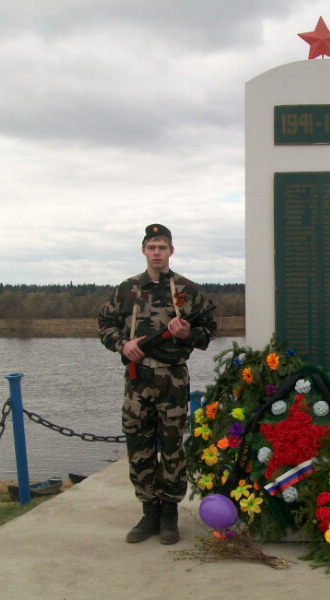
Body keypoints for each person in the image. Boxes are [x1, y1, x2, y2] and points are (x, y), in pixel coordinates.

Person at [98, 224, 217, 544]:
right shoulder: (127, 290)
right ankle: (149, 511)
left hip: (173, 379)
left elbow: (208, 332)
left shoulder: (186, 290)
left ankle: (169, 514)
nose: (157, 252)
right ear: (143, 250)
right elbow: (104, 324)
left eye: (162, 247)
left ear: (171, 251)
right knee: (139, 445)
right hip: (138, 380)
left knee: (172, 447)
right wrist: (122, 345)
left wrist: (185, 334)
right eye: (151, 246)